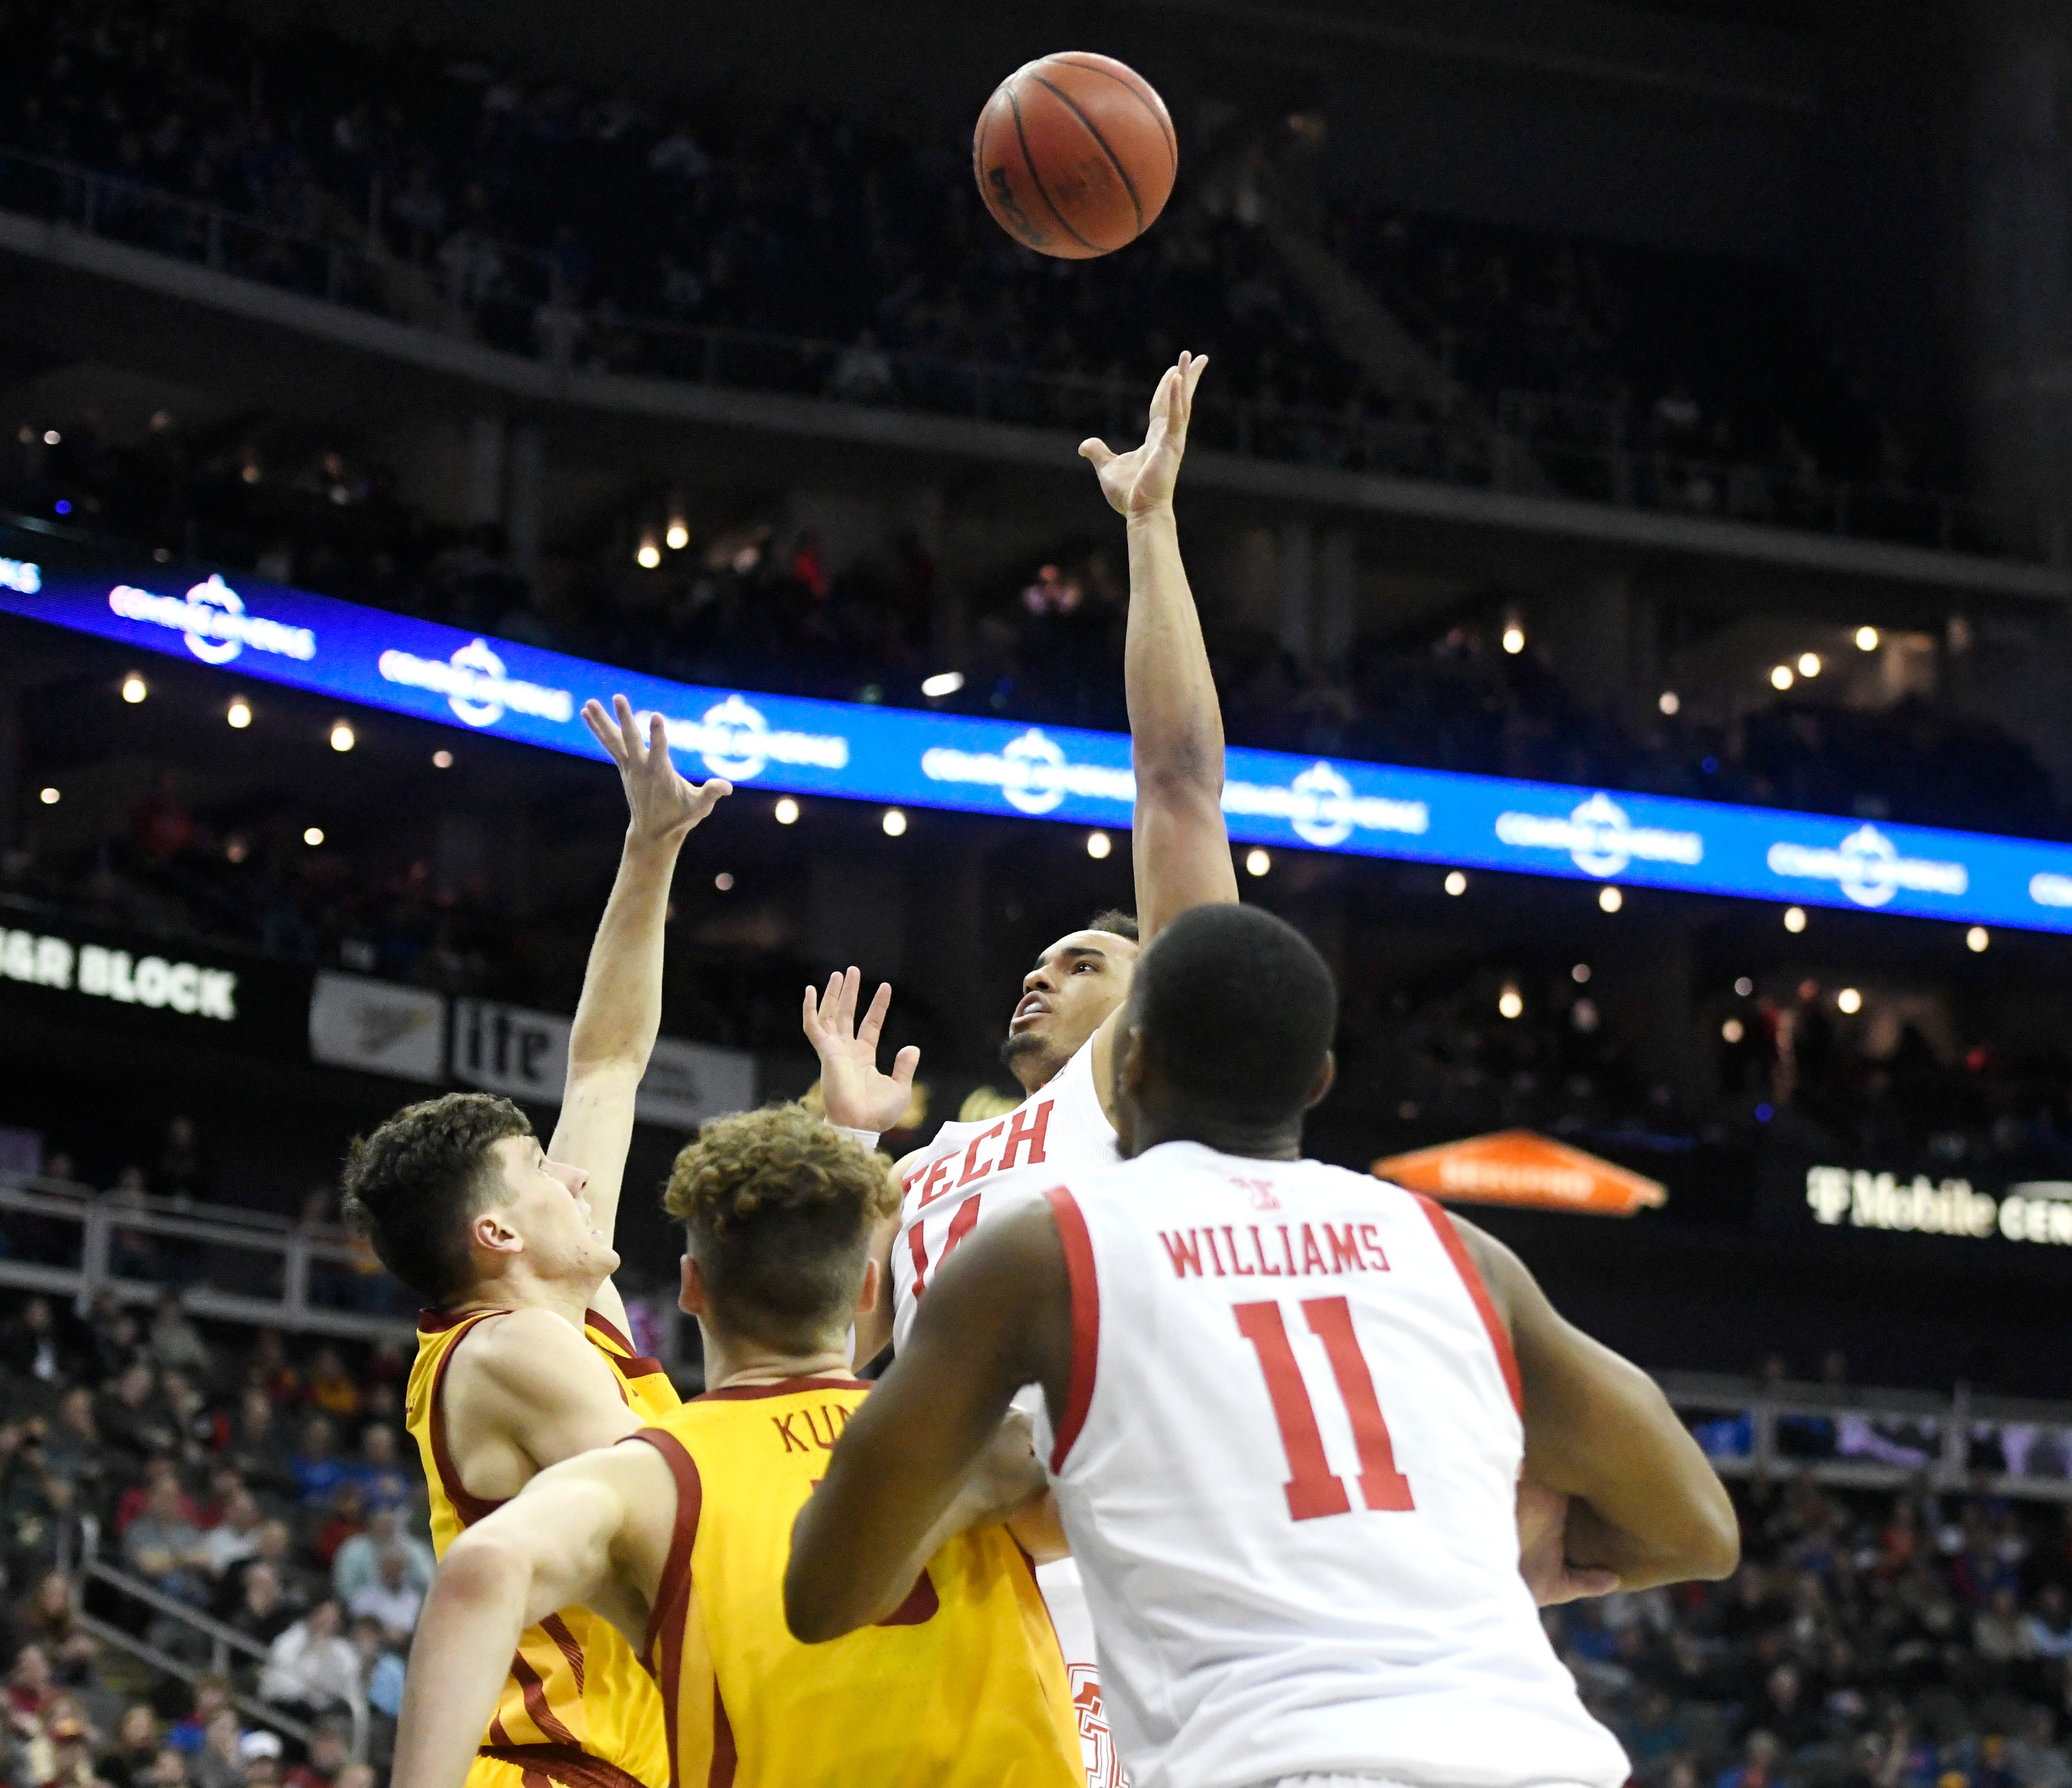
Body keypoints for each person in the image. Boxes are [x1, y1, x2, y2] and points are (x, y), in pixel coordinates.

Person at [787, 902, 1741, 1788]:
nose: (1044, 980)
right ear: (1316, 1080)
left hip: (1233, 1721)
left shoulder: (1060, 1245)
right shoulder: (1447, 1245)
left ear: (1134, 1057)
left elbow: (820, 1584)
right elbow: (1699, 1529)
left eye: (1085, 965)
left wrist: (984, 1486)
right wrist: (1500, 1557)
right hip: (1531, 1751)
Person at [804, 351, 1235, 1776]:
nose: (1045, 969)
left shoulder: (1135, 1094)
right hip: (940, 1576)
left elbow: (1177, 787)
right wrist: (851, 1146)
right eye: (1038, 958)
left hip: (1105, 1578)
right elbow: (804, 1359)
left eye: (1088, 958)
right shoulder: (930, 1163)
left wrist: (1150, 527)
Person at [388, 1105, 1080, 1788]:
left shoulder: (660, 1476)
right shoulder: (976, 1445)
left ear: (693, 1291)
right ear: (869, 1290)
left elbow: (480, 1571)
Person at [345, 694, 727, 1788]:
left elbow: (606, 1065)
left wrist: (648, 850)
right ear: (498, 1230)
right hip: (560, 1769)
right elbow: (685, 1524)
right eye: (541, 1172)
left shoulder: (556, 1317)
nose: (576, 1175)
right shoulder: (515, 1346)